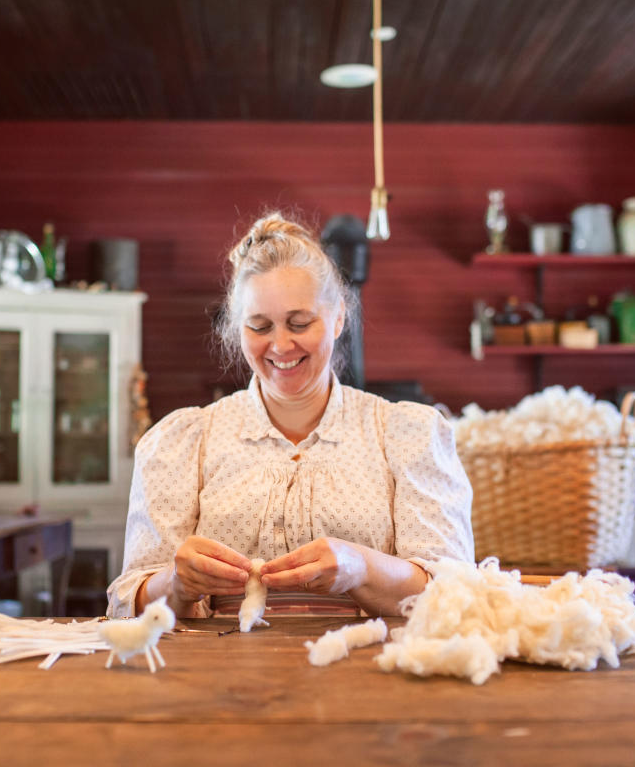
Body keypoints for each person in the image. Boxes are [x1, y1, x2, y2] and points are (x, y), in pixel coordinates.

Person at [107, 212, 474, 619]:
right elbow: (127, 604)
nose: (281, 345)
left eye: (299, 323)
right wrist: (175, 585)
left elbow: (456, 591)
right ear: (236, 330)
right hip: (218, 676)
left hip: (372, 674)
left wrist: (361, 567)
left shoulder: (407, 435)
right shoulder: (184, 441)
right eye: (260, 327)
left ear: (338, 319)